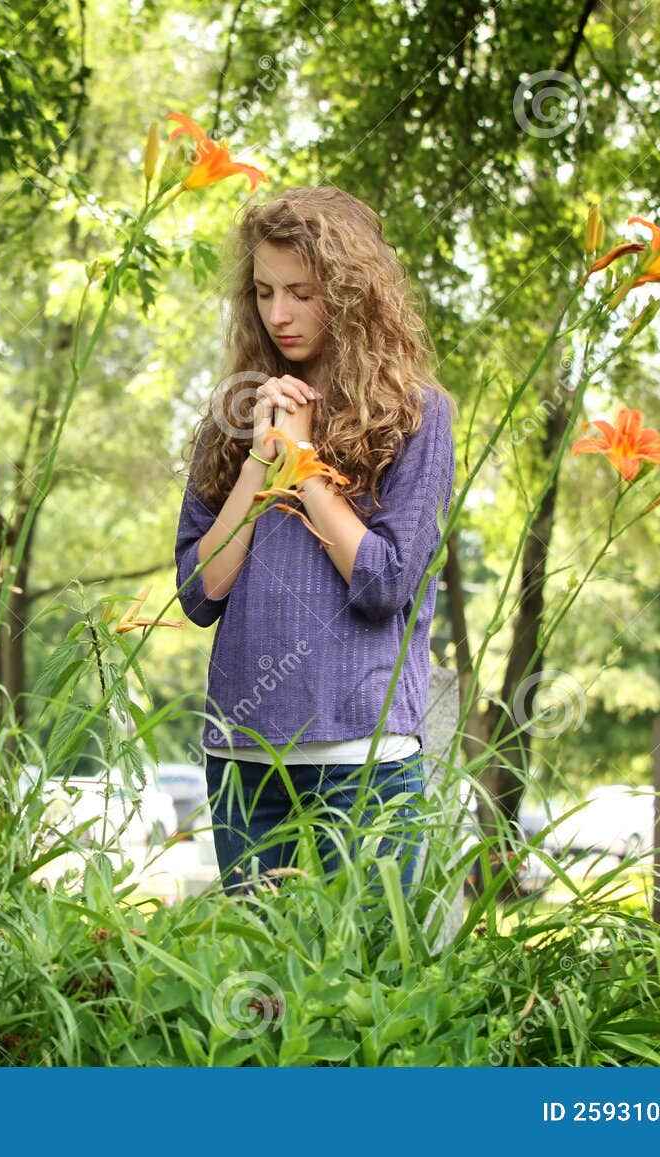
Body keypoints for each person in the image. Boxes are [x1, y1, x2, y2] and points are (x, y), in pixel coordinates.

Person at [172, 186, 456, 898]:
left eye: (301, 292)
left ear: (352, 293)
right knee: (259, 989)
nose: (278, 315)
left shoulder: (418, 416)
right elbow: (199, 592)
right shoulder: (235, 415)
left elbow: (384, 583)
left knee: (364, 981)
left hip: (362, 757)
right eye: (265, 292)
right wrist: (263, 460)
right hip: (243, 758)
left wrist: (304, 466)